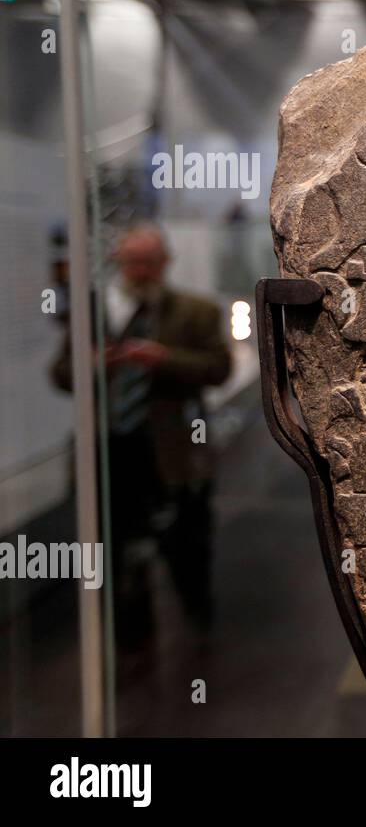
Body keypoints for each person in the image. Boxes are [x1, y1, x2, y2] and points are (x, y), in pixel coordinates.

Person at [51, 223, 231, 644]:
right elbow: (60, 374)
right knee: (114, 549)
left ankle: (197, 619)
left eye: (148, 263)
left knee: (186, 544)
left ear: (165, 263)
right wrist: (95, 365)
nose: (140, 271)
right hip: (112, 446)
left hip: (175, 451)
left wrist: (164, 359)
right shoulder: (92, 312)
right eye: (132, 262)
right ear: (119, 263)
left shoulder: (196, 311)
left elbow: (218, 369)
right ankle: (131, 636)